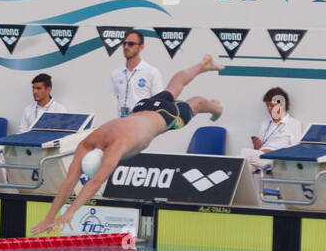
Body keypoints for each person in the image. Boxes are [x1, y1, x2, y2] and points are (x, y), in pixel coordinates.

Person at [32, 56, 225, 235]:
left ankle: (216, 108)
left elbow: (95, 183)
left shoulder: (115, 146)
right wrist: (49, 219)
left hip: (165, 117)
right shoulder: (90, 140)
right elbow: (70, 182)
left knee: (196, 104)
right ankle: (202, 65)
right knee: (174, 87)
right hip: (141, 107)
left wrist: (70, 212)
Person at [241, 87, 302, 172]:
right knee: (244, 169)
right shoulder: (264, 124)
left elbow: (295, 151)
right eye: (267, 105)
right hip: (260, 159)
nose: (269, 108)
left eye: (272, 105)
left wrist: (272, 152)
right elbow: (257, 150)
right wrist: (257, 146)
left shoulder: (294, 123)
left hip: (277, 161)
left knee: (244, 153)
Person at [110, 29, 163, 118]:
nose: (126, 47)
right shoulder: (116, 73)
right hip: (121, 123)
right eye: (124, 44)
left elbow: (158, 102)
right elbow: (119, 99)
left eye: (131, 44)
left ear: (141, 47)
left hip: (142, 124)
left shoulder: (152, 72)